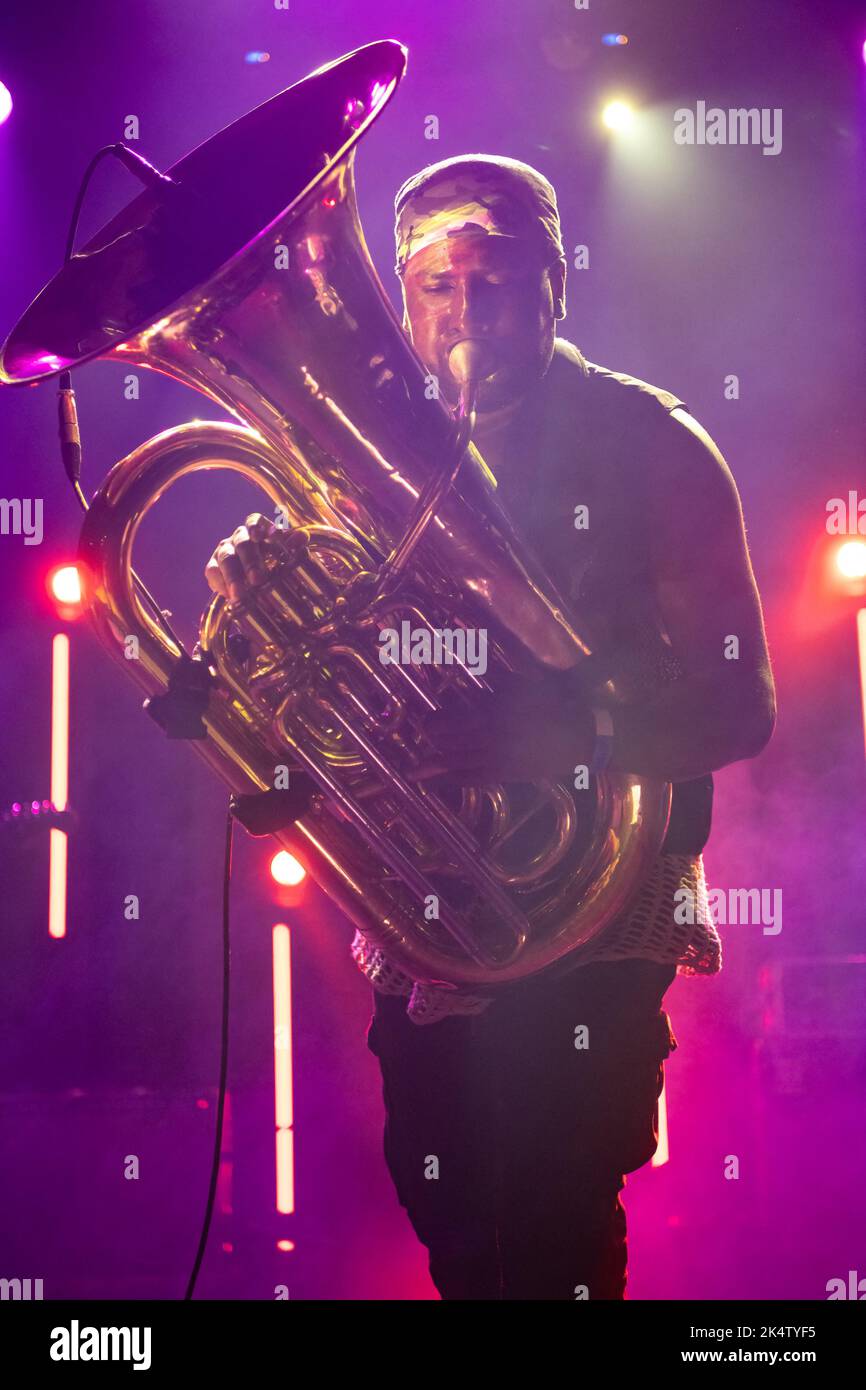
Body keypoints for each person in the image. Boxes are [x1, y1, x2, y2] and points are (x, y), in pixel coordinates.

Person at [205, 155, 776, 1300]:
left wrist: (552, 732)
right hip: (434, 907)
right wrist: (267, 723)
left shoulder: (652, 444)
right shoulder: (360, 467)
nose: (469, 314)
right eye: (438, 288)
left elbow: (738, 704)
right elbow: (345, 684)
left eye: (498, 280)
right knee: (454, 1210)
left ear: (555, 287)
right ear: (406, 304)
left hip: (595, 903)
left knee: (550, 1210)